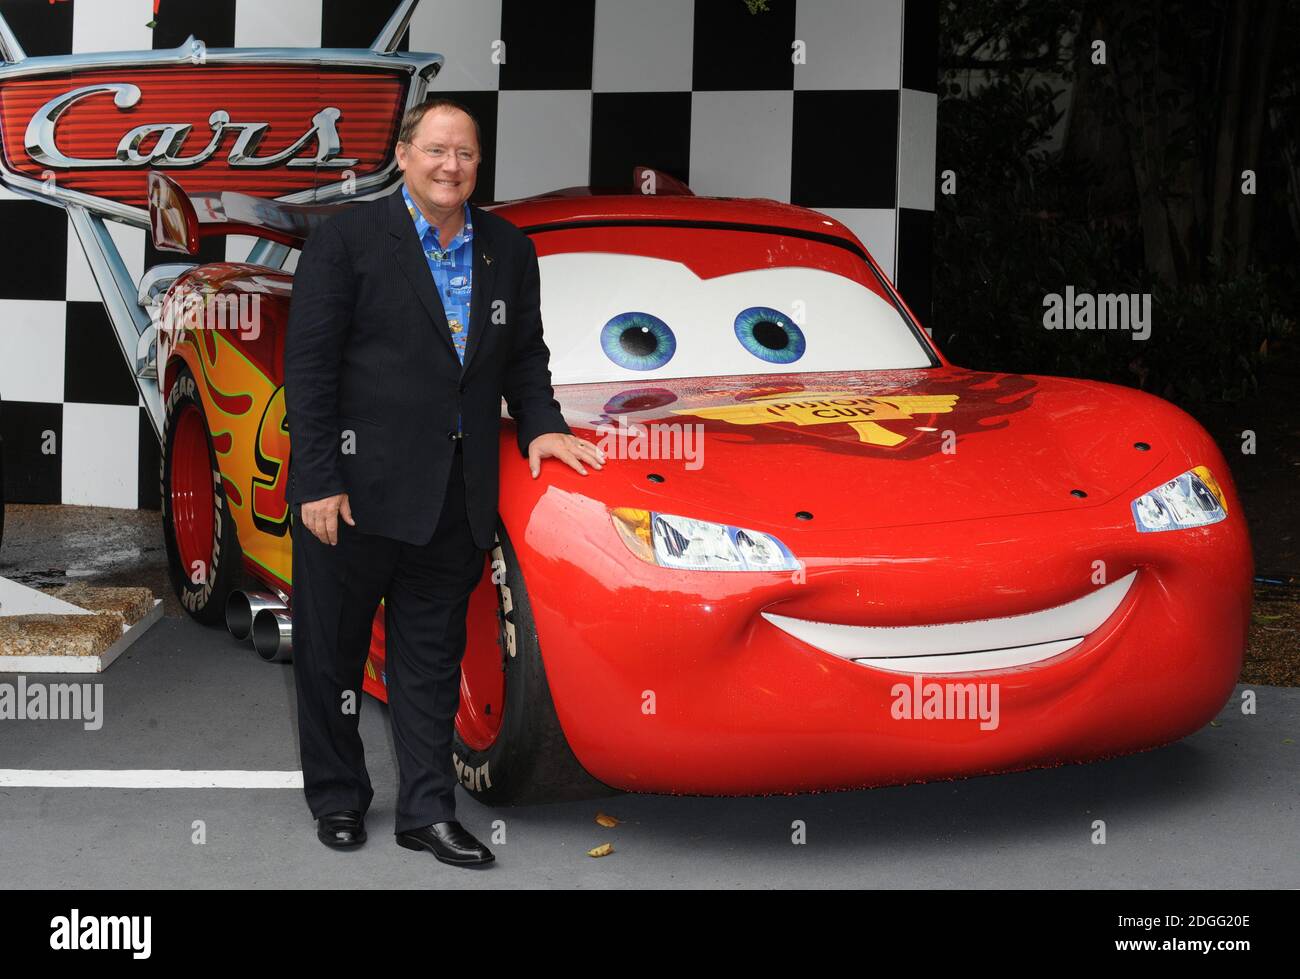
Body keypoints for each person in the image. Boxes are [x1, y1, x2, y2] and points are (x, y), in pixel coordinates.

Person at [283, 97, 605, 868]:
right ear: (403, 154)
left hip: (453, 500)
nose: (449, 165)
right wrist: (319, 478)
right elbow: (311, 367)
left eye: (464, 153)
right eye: (435, 150)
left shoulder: (507, 249)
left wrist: (542, 425)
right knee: (332, 655)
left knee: (430, 662)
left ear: (477, 162)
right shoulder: (348, 240)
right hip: (351, 497)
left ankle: (427, 811)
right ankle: (337, 796)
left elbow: (524, 356)